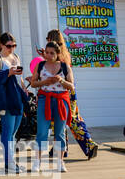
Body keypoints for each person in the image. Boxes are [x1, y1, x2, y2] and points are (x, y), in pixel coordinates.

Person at [41, 29, 98, 160]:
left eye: (47, 38)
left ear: (51, 39)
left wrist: (44, 56)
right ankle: (67, 147)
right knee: (73, 118)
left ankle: (81, 145)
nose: (46, 41)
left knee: (61, 119)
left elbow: (53, 67)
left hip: (60, 91)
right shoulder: (65, 53)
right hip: (70, 90)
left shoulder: (56, 55)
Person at [29, 41, 74, 172]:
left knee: (60, 132)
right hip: (45, 98)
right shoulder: (40, 65)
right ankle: (37, 161)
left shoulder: (65, 67)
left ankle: (60, 162)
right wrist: (46, 82)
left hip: (61, 99)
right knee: (42, 131)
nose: (48, 55)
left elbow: (71, 86)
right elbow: (33, 83)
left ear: (58, 54)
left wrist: (61, 80)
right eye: (47, 53)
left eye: (52, 53)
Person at [0, 32, 26, 173]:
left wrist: (24, 88)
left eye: (14, 46)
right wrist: (8, 73)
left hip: (17, 96)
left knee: (14, 131)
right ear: (1, 45)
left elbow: (19, 78)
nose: (12, 49)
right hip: (6, 98)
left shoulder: (15, 57)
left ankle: (11, 161)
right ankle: (8, 162)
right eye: (9, 46)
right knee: (7, 131)